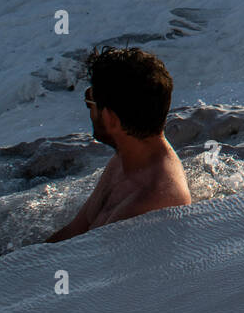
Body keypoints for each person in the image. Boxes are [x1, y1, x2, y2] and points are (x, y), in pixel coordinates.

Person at [46, 46, 192, 242]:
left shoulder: (152, 200)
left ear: (111, 118)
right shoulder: (123, 162)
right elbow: (74, 231)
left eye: (91, 100)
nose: (89, 110)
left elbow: (93, 261)